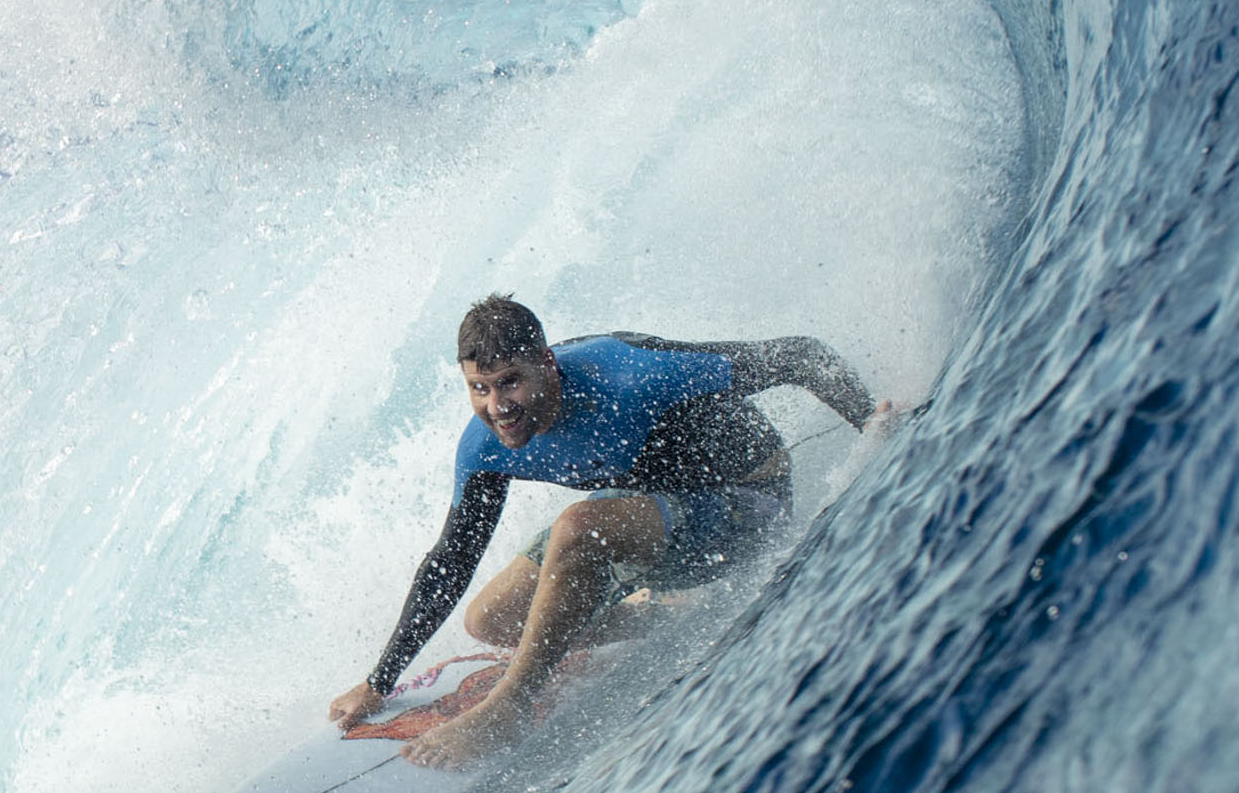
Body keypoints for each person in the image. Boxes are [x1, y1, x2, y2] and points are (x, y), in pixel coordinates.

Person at [329, 294, 896, 769]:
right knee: (491, 620)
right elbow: (451, 560)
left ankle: (510, 705)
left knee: (577, 528)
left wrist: (879, 428)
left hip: (746, 506)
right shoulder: (485, 447)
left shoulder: (632, 373)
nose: (497, 407)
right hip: (645, 508)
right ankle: (663, 616)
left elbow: (800, 357)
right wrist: (379, 681)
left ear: (547, 363)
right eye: (480, 388)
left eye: (509, 383)